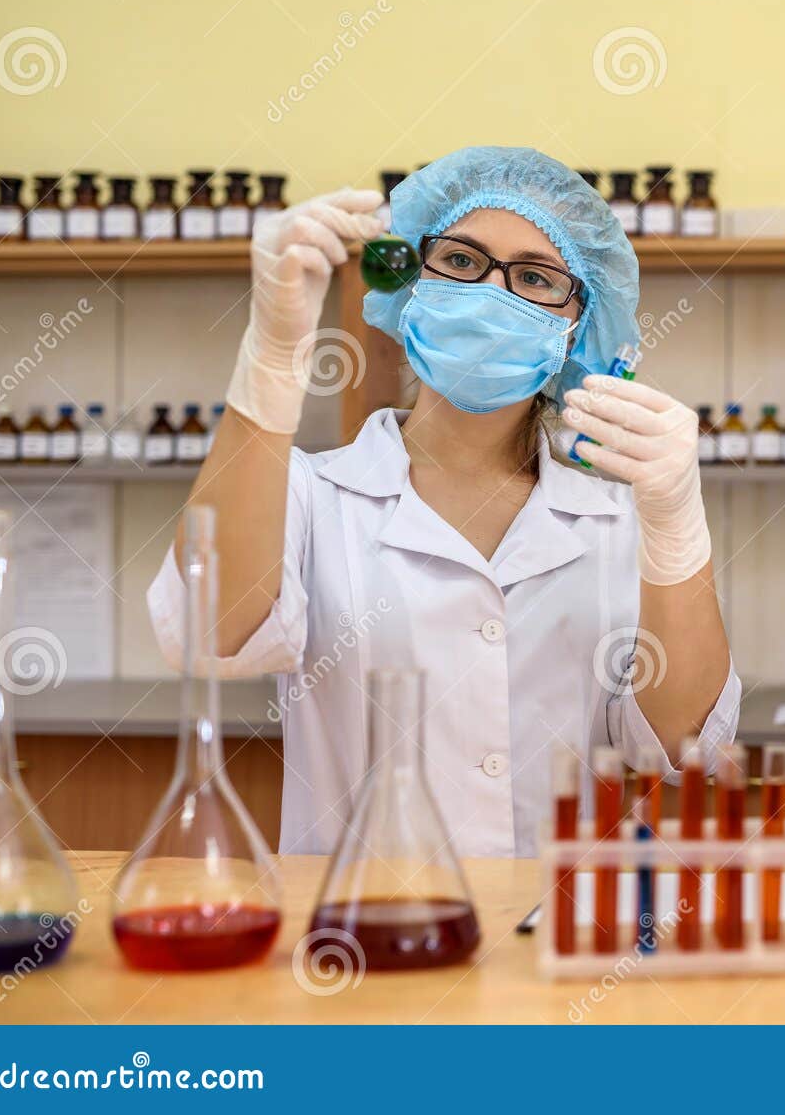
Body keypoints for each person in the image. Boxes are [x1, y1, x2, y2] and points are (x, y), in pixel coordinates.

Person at [147, 147, 738, 858]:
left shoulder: (620, 525)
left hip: (557, 939)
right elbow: (207, 634)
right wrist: (272, 359)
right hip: (361, 941)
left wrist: (676, 525)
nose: (493, 292)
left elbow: (680, 748)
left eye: (535, 278)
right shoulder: (309, 493)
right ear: (410, 280)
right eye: (460, 260)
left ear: (577, 324)